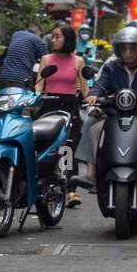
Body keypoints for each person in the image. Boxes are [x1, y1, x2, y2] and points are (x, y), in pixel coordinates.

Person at [72, 26, 137, 191]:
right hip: (114, 116)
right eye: (124, 49)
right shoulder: (110, 68)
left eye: (132, 49)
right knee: (93, 126)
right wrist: (94, 95)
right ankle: (92, 173)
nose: (128, 53)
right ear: (118, 50)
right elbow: (101, 84)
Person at [36, 24, 89, 208]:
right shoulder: (46, 59)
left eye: (57, 36)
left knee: (68, 149)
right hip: (48, 107)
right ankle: (44, 186)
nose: (53, 40)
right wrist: (32, 98)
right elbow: (39, 85)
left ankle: (71, 191)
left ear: (68, 39)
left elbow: (85, 89)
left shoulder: (78, 61)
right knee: (46, 149)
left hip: (70, 108)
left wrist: (92, 102)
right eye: (53, 36)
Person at [0, 21, 49, 89]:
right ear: (39, 32)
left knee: (3, 99)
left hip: (4, 76)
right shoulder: (39, 40)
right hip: (22, 79)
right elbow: (47, 61)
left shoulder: (16, 34)